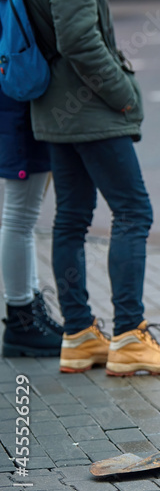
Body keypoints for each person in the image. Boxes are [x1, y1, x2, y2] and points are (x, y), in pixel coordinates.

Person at [1, 0, 160, 375]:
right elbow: (77, 37)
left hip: (50, 104)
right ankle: (128, 336)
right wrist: (122, 93)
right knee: (133, 211)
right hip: (89, 107)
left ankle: (78, 336)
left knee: (71, 217)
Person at [1, 90, 64, 357]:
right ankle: (21, 319)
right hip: (19, 111)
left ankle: (30, 309)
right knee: (19, 218)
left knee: (22, 219)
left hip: (20, 109)